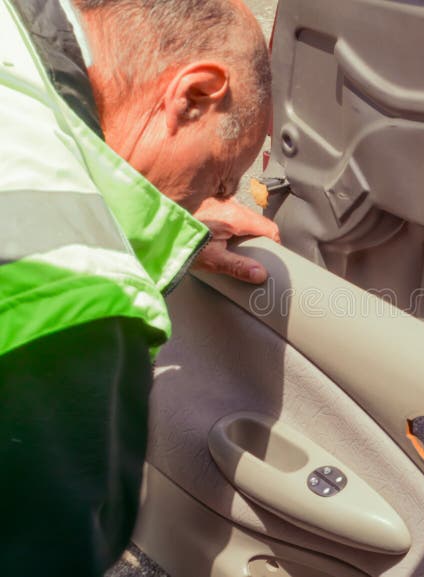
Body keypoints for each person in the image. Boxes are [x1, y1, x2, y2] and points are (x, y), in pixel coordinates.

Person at [0, 0, 279, 574]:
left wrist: (161, 229)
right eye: (221, 175)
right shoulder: (75, 286)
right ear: (194, 95)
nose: (211, 201)